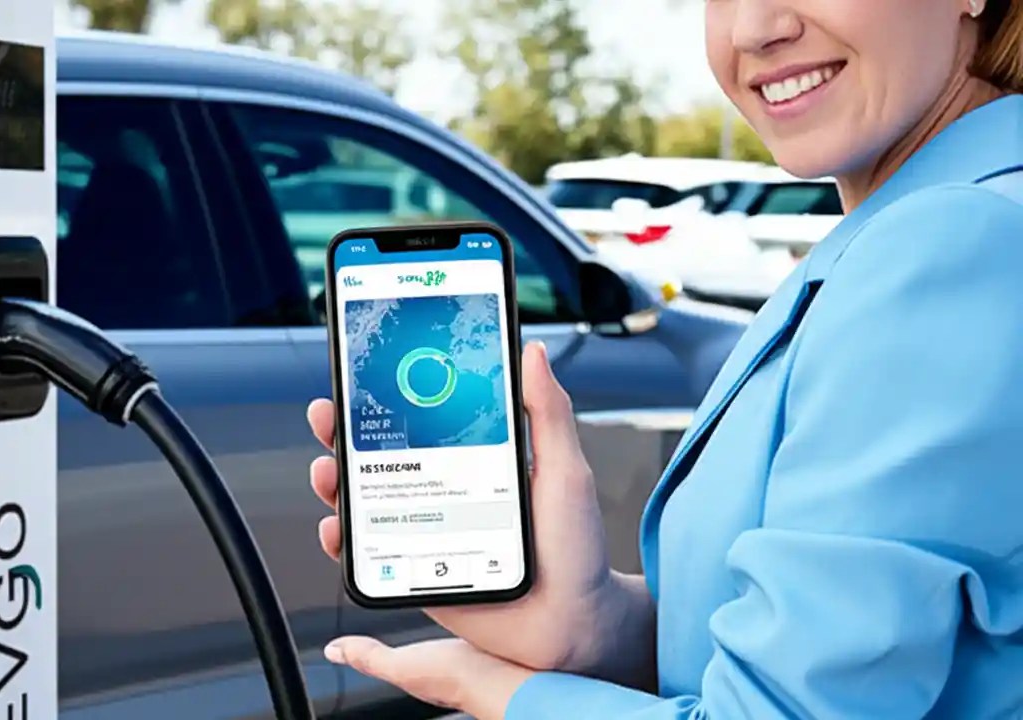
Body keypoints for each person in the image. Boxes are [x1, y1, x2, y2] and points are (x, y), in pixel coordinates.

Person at [304, 0, 1023, 717]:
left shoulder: (954, 241)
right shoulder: (941, 225)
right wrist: (592, 621)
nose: (753, 29)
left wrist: (496, 693)